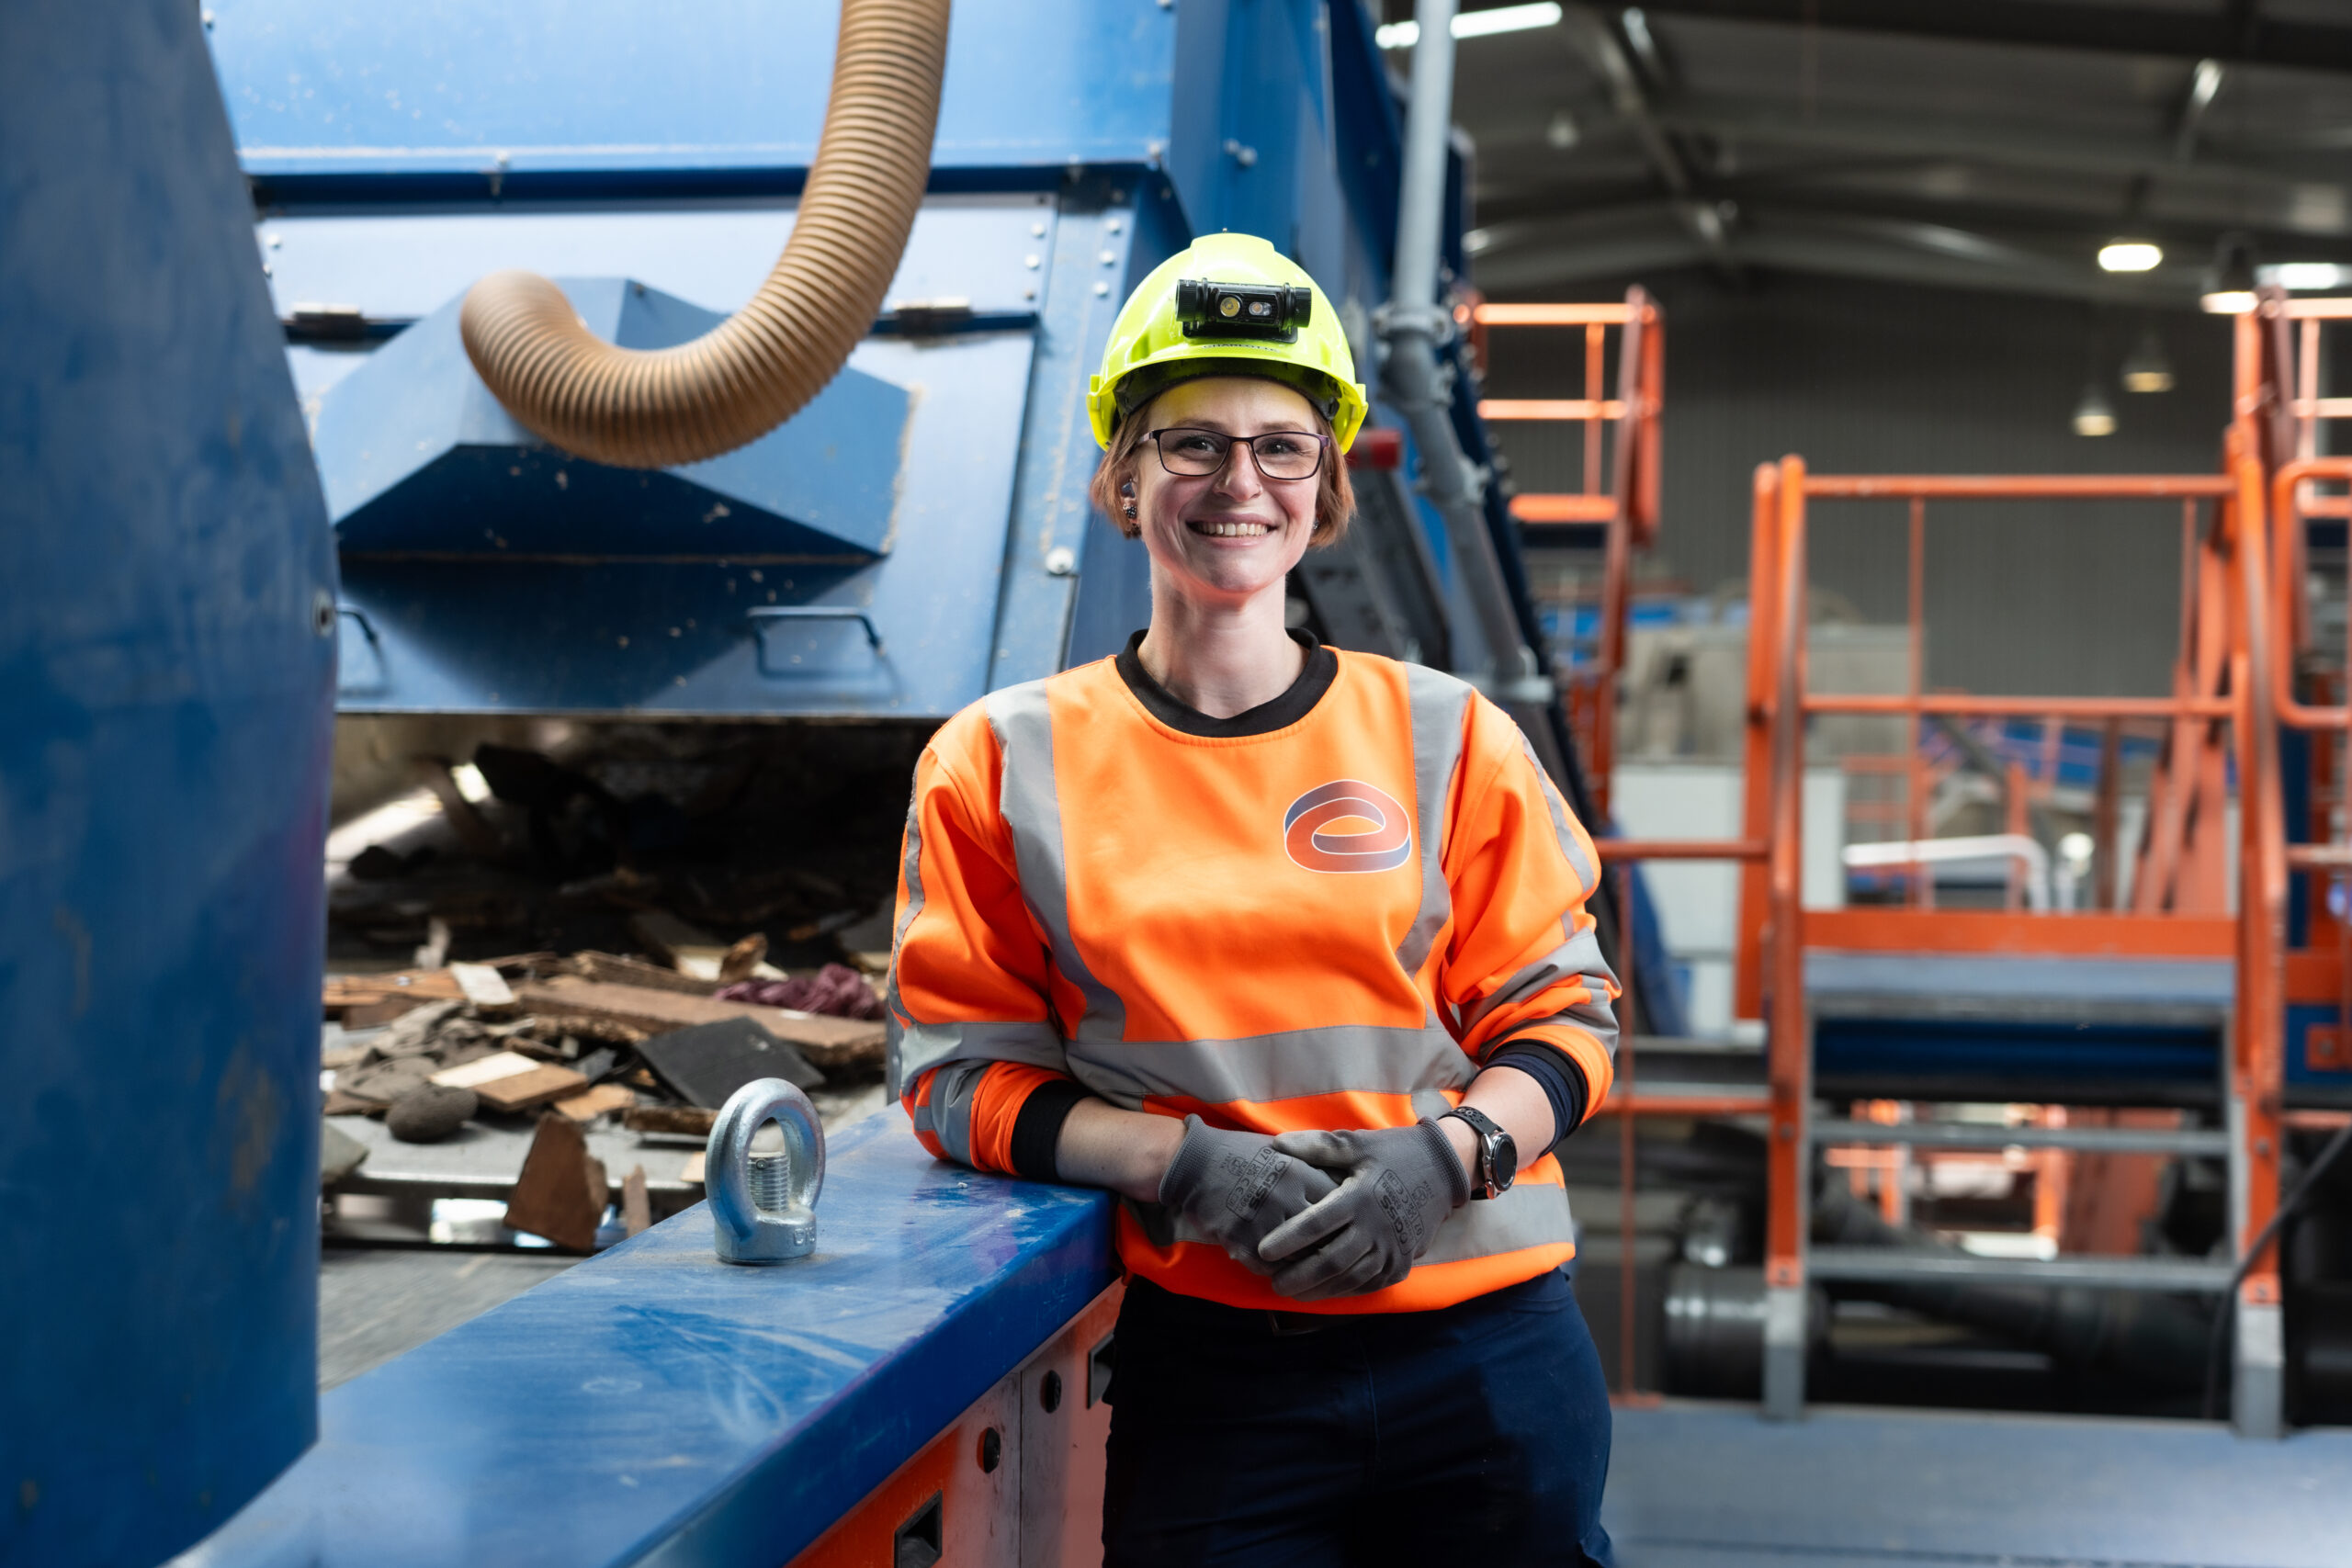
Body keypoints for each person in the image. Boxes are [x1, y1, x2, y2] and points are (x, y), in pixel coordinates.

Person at [886, 232, 1618, 1567]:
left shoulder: (1448, 739)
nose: (1241, 483)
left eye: (1282, 446)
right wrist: (1184, 1166)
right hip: (1220, 1377)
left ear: (1327, 485)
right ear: (1124, 474)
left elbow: (1567, 1024)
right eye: (1191, 444)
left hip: (1494, 1359)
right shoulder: (999, 762)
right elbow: (956, 1084)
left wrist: (1443, 1162)